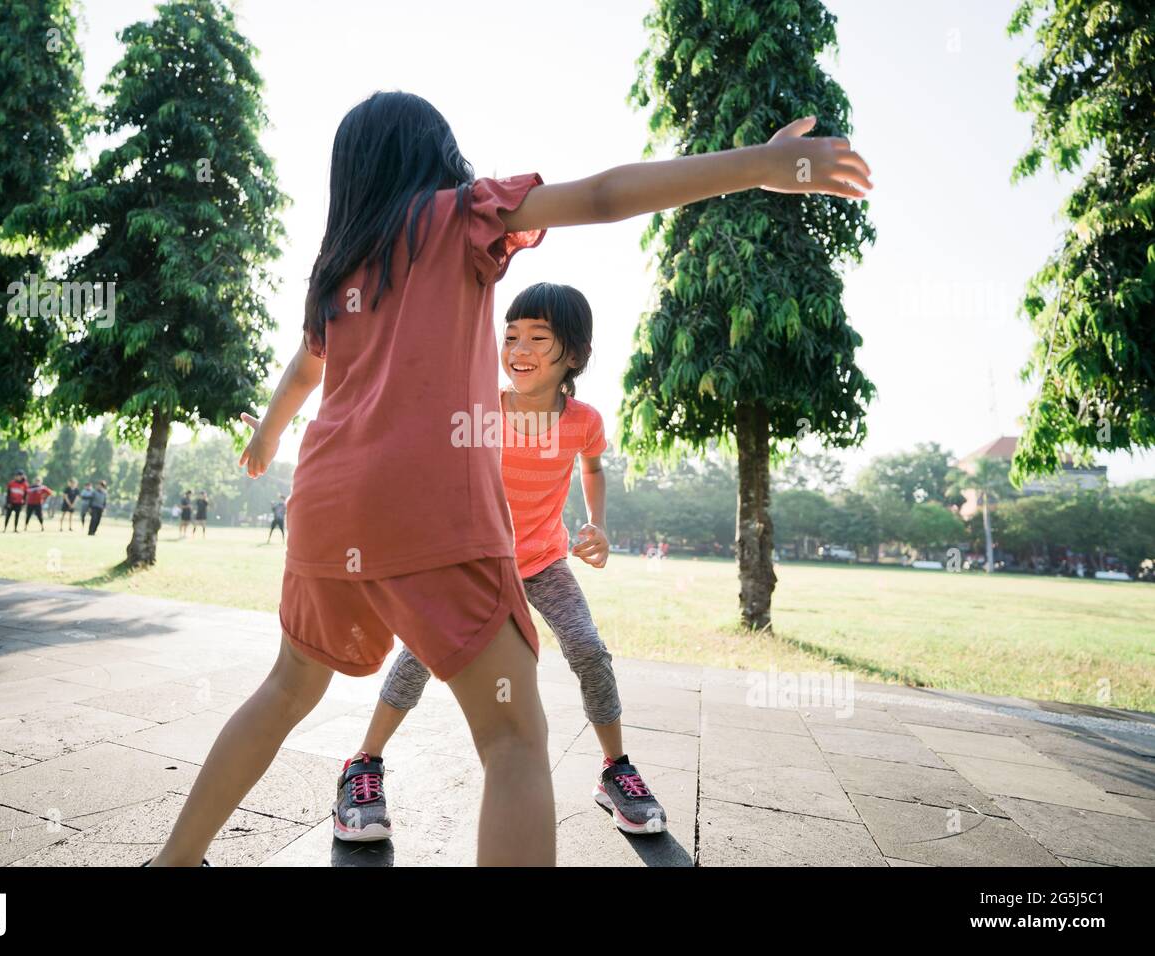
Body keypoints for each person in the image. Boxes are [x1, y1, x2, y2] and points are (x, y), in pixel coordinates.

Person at [144, 91, 871, 868]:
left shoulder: (339, 267)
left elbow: (303, 369)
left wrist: (267, 434)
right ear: (432, 152)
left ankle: (173, 863)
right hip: (424, 506)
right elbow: (602, 195)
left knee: (287, 687)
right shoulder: (463, 215)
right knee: (513, 736)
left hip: (324, 502)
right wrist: (759, 163)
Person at [344, 283, 666, 841]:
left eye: (538, 337)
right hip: (474, 559)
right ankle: (363, 765)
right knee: (420, 653)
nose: (519, 347)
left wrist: (597, 522)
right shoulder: (484, 409)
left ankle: (616, 770)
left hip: (543, 558)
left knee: (589, 648)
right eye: (511, 335)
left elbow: (592, 467)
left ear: (575, 353)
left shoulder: (583, 421)